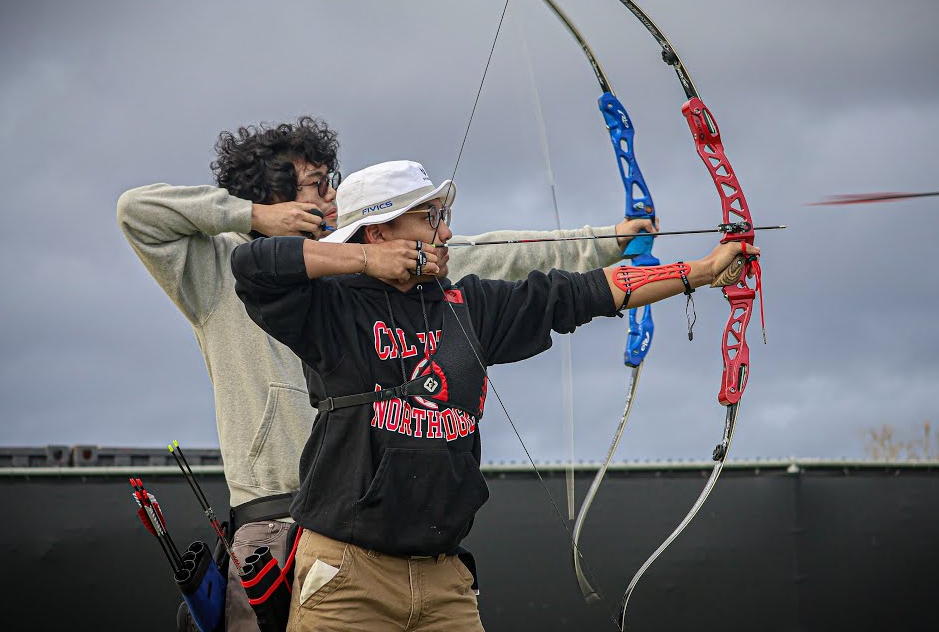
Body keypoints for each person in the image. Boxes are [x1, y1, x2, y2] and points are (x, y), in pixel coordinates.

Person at [116, 117, 655, 630]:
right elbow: (136, 211)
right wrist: (253, 218)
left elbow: (491, 256)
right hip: (274, 522)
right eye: (317, 185)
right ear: (269, 193)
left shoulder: (381, 268)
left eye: (333, 184)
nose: (332, 196)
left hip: (366, 523)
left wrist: (607, 239)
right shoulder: (217, 268)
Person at [230, 159, 757, 631]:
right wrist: (367, 264)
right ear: (381, 231)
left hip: (445, 583)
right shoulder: (330, 309)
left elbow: (586, 291)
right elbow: (252, 267)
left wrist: (703, 272)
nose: (446, 230)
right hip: (347, 577)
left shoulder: (471, 303)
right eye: (430, 217)